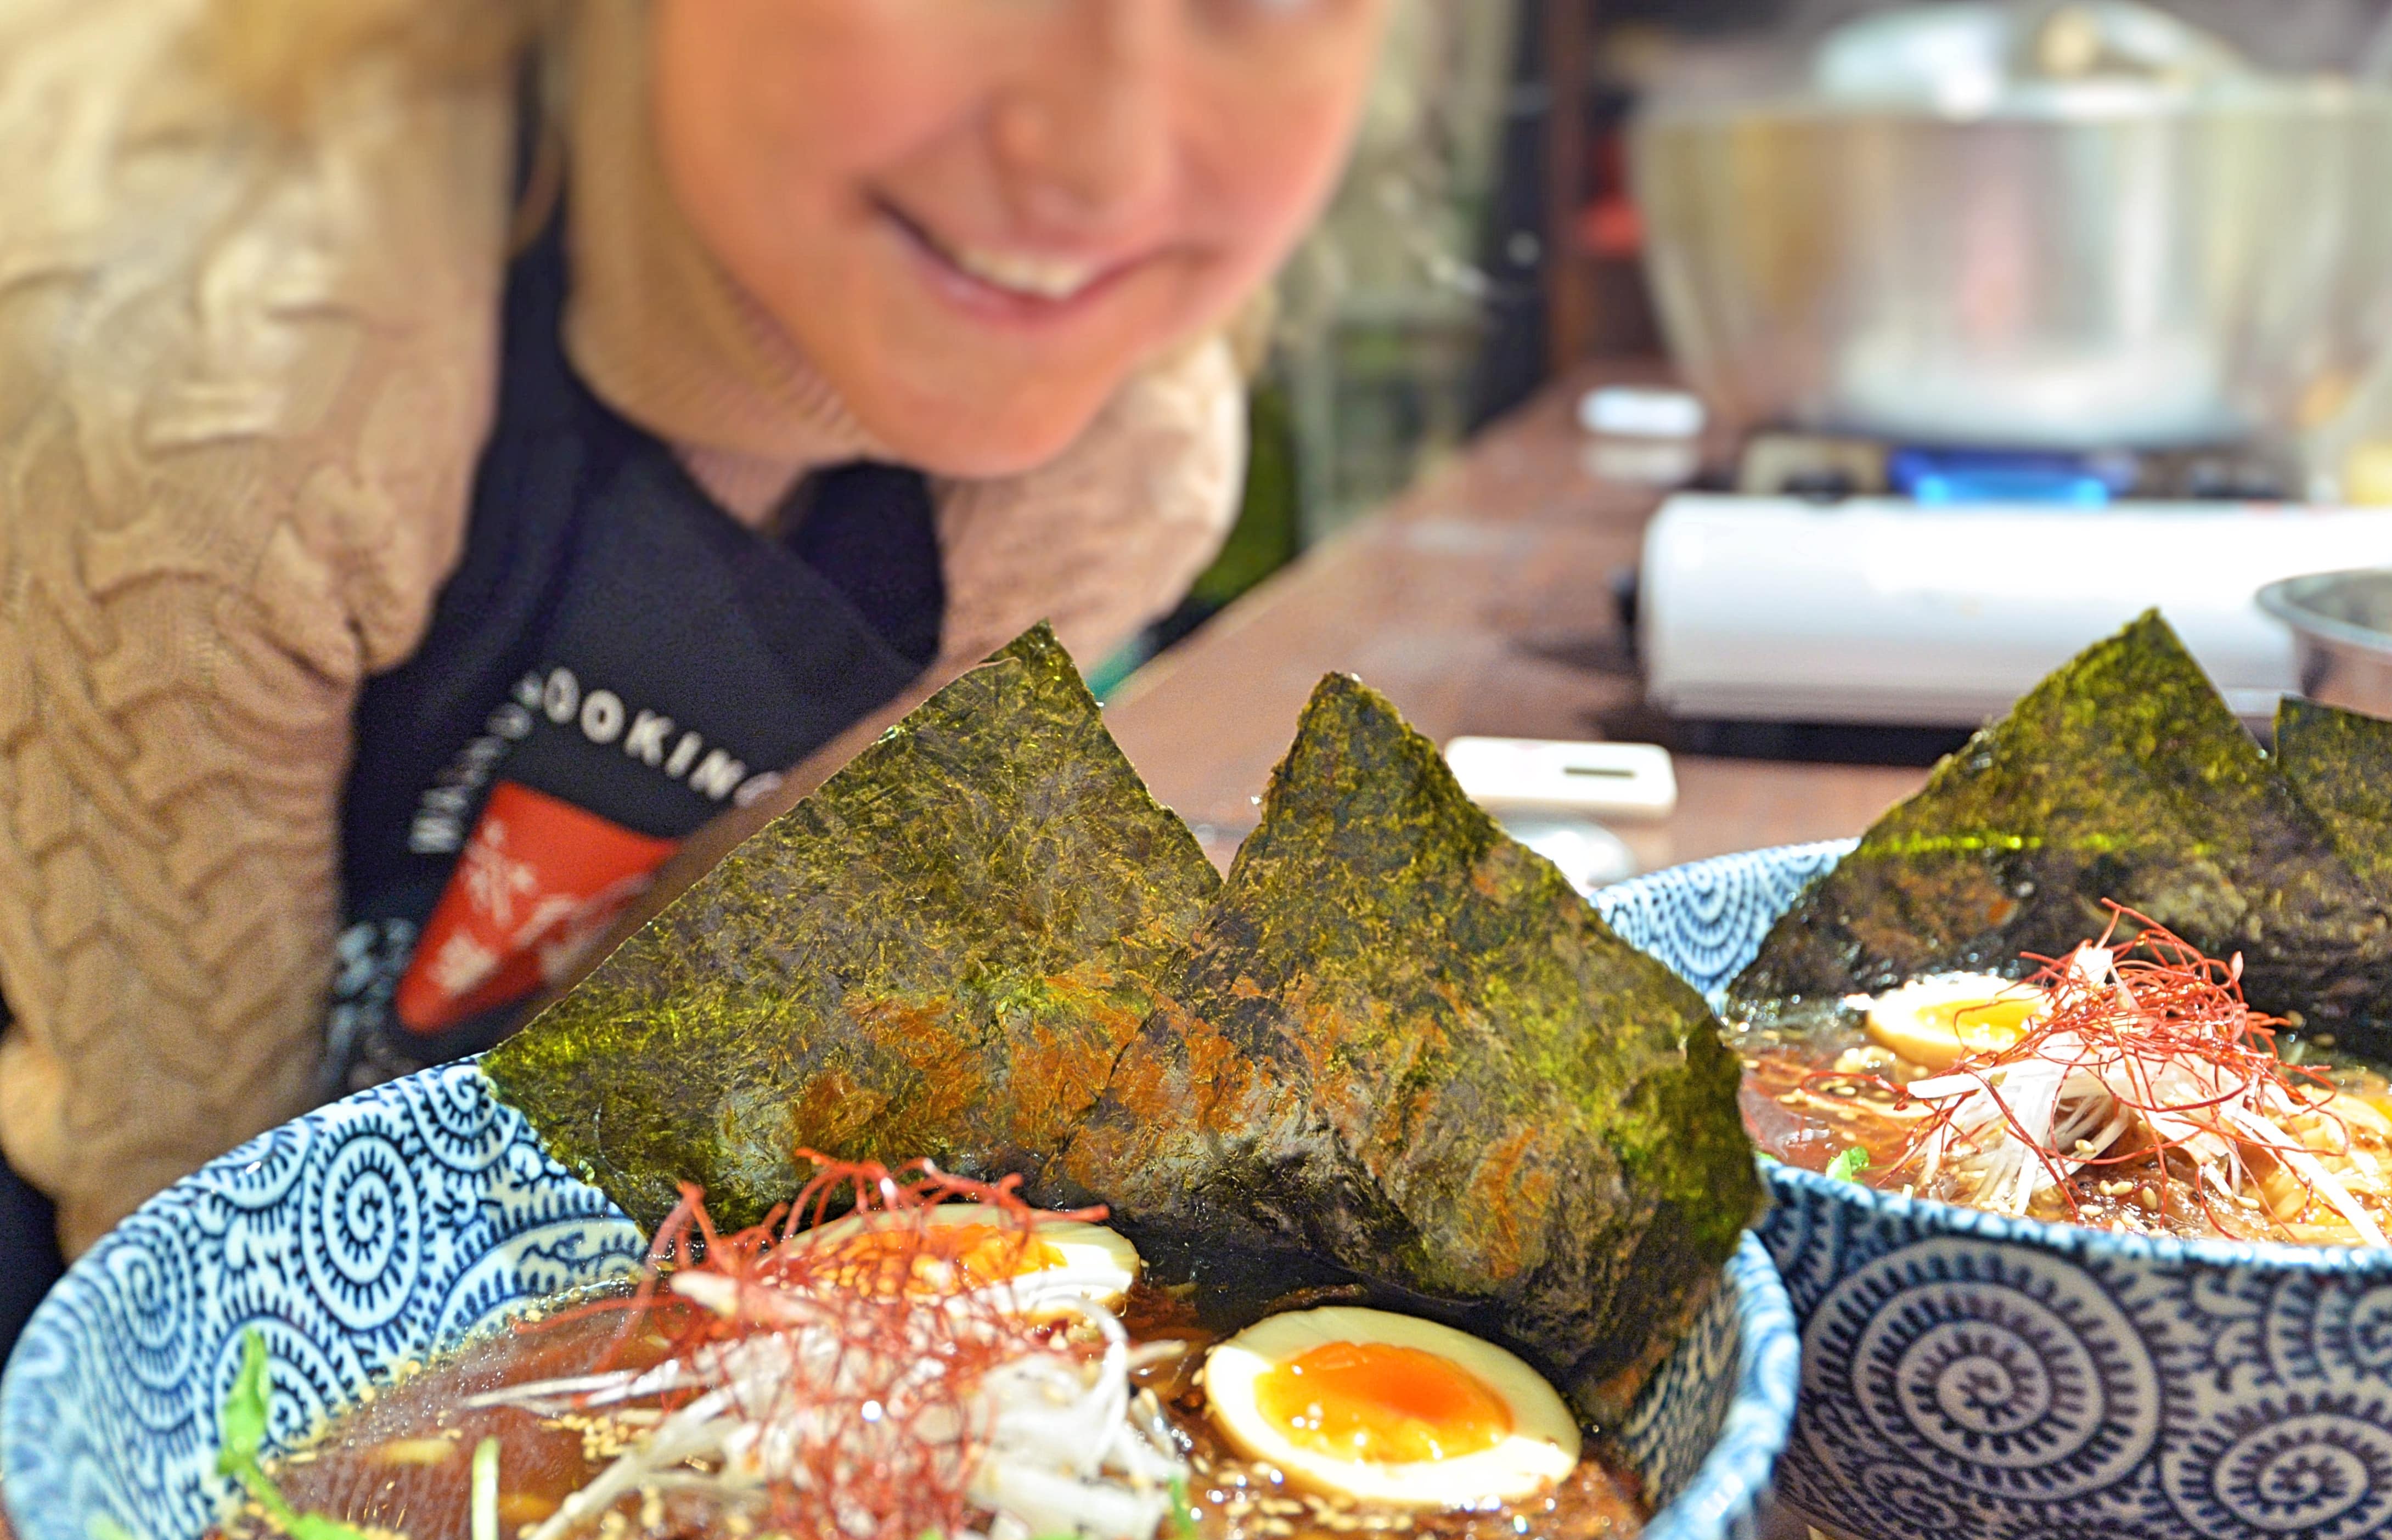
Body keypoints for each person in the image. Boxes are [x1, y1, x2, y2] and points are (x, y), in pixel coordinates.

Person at [0, 0, 1391, 1329]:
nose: (1101, 164)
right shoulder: (235, 381)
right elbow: (175, 1217)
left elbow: (659, 1081)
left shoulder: (1107, 477)